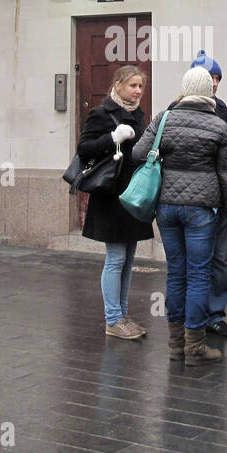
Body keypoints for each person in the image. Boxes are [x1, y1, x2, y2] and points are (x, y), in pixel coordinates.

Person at [134, 66, 227, 363]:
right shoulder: (218, 126)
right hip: (201, 211)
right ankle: (195, 345)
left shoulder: (165, 118)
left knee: (176, 272)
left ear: (184, 89)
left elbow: (137, 153)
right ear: (209, 91)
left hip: (166, 208)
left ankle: (175, 345)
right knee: (198, 274)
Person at [78, 65, 153, 340]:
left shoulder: (139, 115)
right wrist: (112, 138)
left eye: (140, 87)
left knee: (129, 258)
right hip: (111, 196)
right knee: (116, 258)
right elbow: (84, 149)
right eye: (133, 86)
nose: (138, 92)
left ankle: (122, 314)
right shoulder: (102, 114)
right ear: (119, 85)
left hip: (132, 196)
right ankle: (112, 318)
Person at [185, 51, 227, 340]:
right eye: (210, 77)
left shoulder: (222, 109)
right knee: (194, 261)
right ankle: (192, 316)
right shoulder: (176, 109)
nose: (214, 83)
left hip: (217, 199)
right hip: (192, 202)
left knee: (218, 259)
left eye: (217, 78)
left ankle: (215, 315)